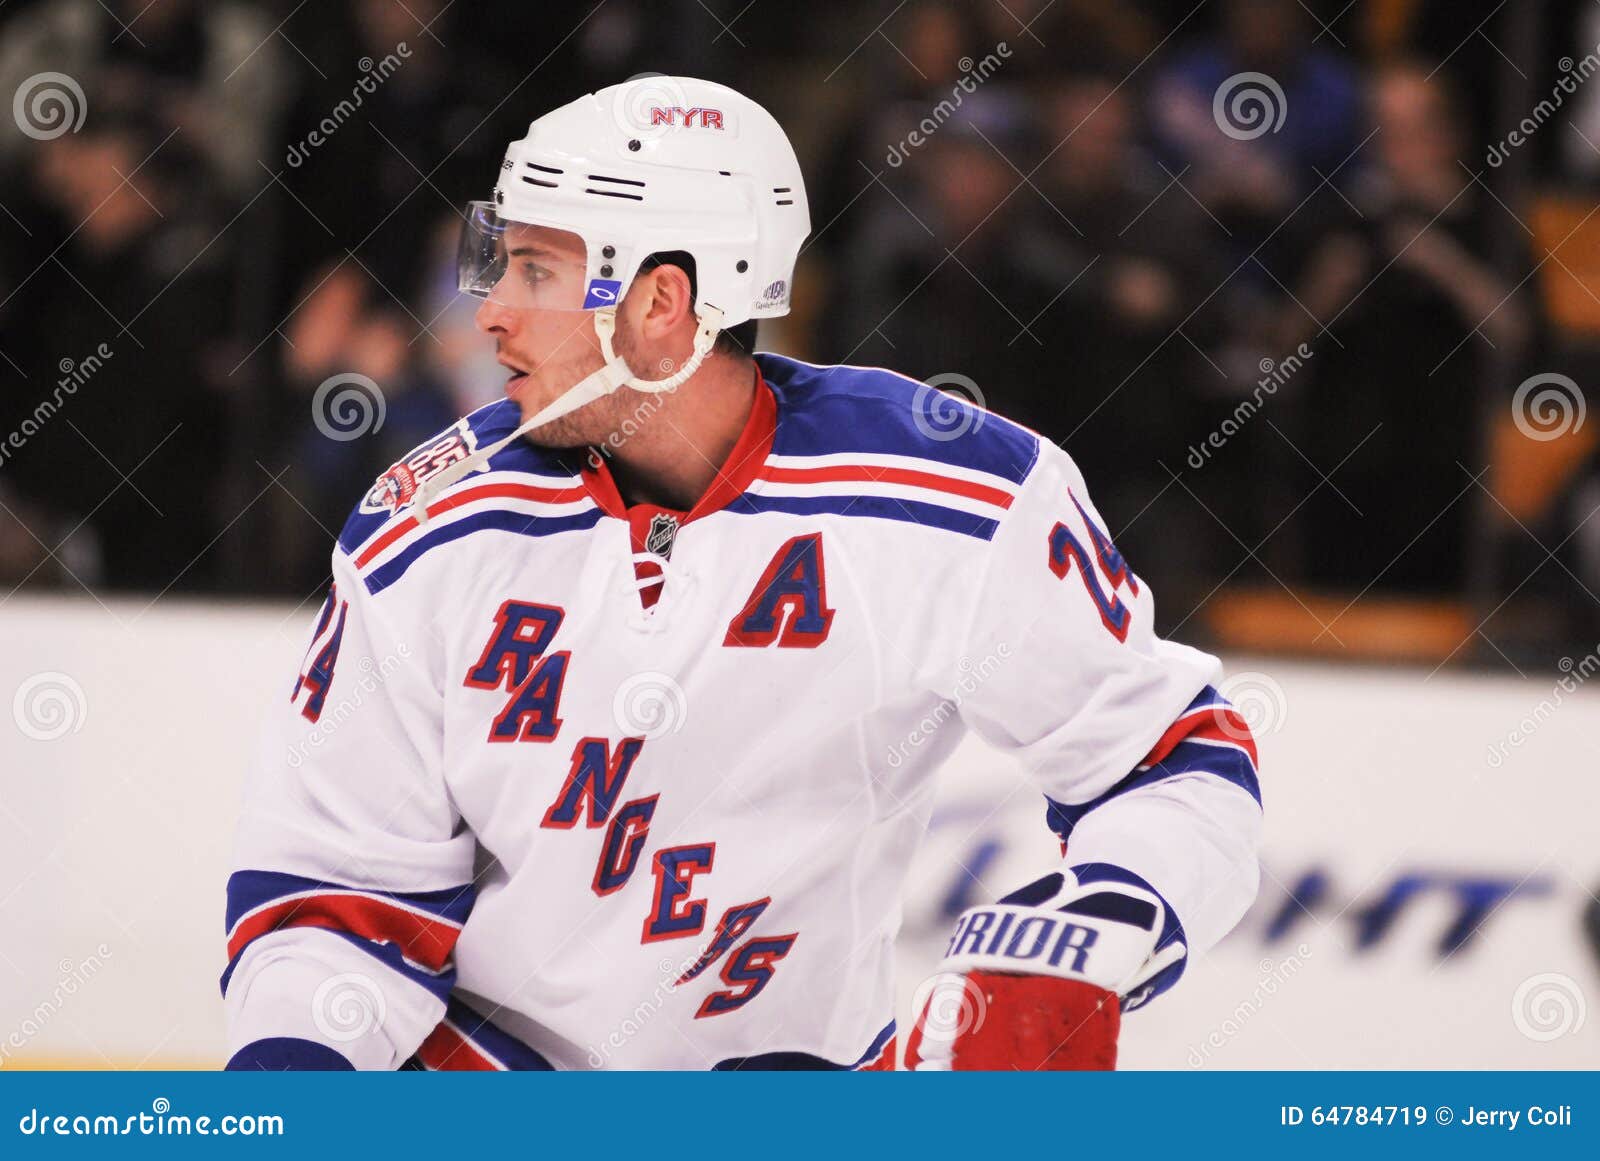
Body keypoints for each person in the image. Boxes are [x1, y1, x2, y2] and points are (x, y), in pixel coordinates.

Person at [222, 77, 1263, 1071]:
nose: (490, 309)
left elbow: (1169, 760)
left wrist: (1094, 928)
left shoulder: (951, 496)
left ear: (661, 303)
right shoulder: (429, 526)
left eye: (534, 269)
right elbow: (332, 895)